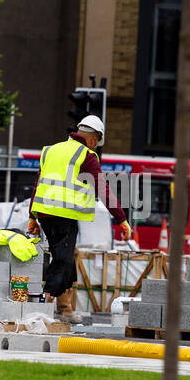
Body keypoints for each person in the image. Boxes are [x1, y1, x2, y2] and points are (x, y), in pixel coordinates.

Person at [27, 115, 130, 321]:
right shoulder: (87, 156)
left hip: (46, 214)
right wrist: (121, 219)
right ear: (94, 139)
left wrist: (32, 216)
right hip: (64, 215)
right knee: (62, 259)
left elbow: (38, 184)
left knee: (65, 256)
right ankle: (44, 309)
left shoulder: (50, 150)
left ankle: (65, 308)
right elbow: (103, 188)